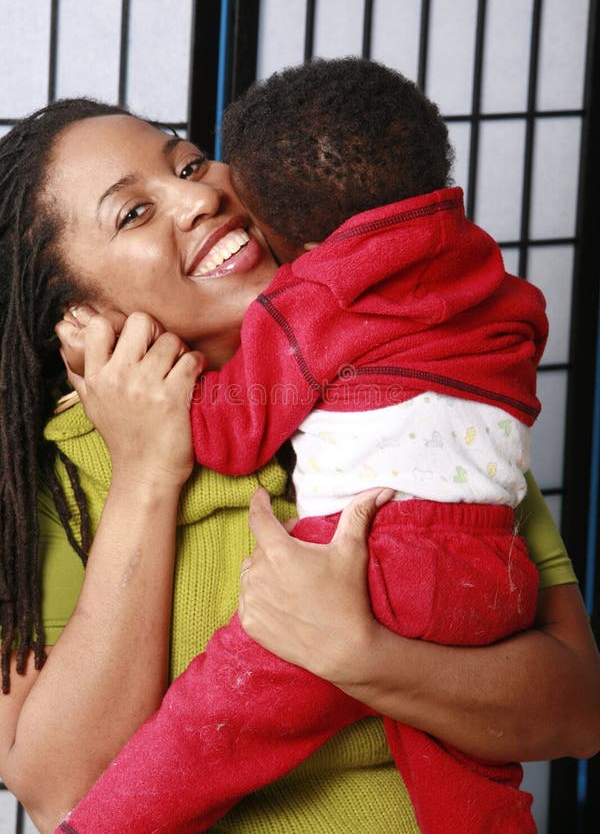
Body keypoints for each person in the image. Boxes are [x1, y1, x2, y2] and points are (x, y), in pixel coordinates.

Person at [0, 96, 596, 834]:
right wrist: (146, 471)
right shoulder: (53, 483)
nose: (199, 196)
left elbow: (577, 714)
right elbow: (60, 794)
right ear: (72, 312)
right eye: (132, 213)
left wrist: (367, 658)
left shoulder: (415, 387)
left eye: (188, 162)